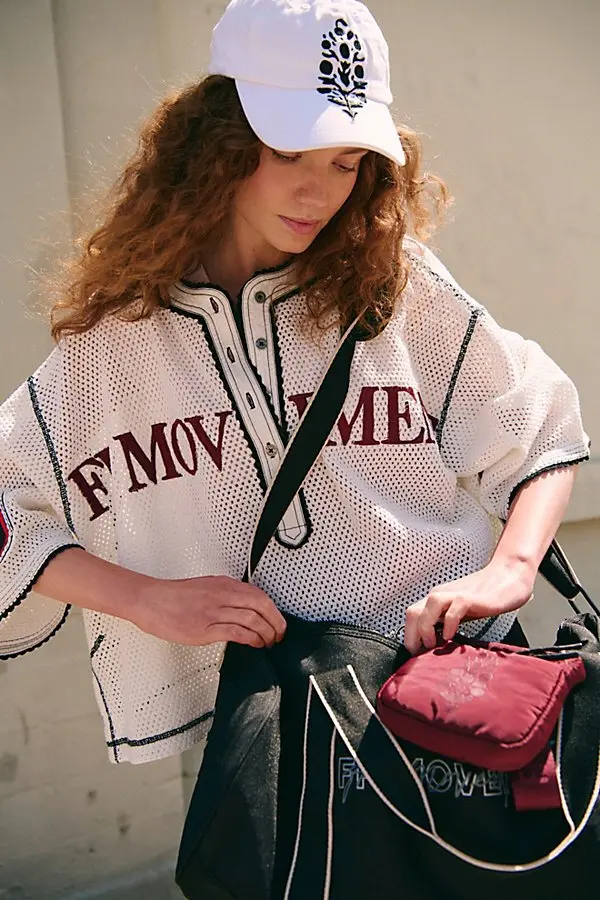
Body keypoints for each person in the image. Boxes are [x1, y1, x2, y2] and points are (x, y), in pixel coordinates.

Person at [0, 0, 588, 785]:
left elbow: (539, 417)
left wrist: (511, 568)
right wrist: (143, 599)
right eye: (290, 152)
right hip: (275, 741)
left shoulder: (389, 283)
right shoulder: (118, 344)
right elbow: (11, 502)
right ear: (218, 144)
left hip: (450, 700)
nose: (319, 193)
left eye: (346, 164)